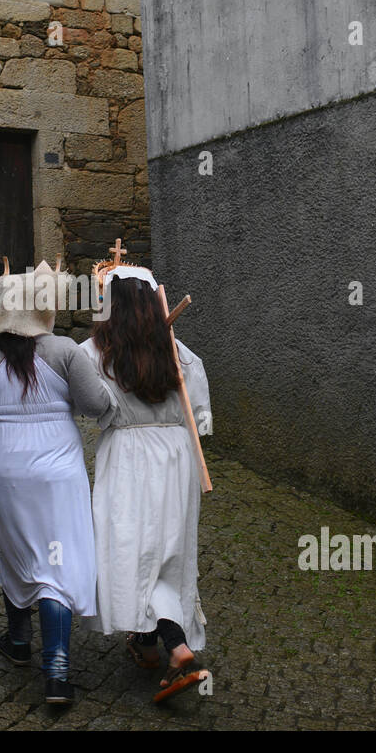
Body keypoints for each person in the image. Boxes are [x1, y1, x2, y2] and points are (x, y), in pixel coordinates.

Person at [0, 262, 111, 704]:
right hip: (57, 469)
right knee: (56, 560)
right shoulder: (65, 351)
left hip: (3, 468)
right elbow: (97, 405)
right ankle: (56, 668)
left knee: (17, 547)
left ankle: (18, 640)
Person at [79, 264, 212, 701]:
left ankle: (174, 644)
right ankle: (147, 642)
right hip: (177, 459)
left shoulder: (93, 353)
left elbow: (86, 405)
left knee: (133, 552)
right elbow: (202, 420)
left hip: (130, 460)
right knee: (169, 553)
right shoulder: (182, 354)